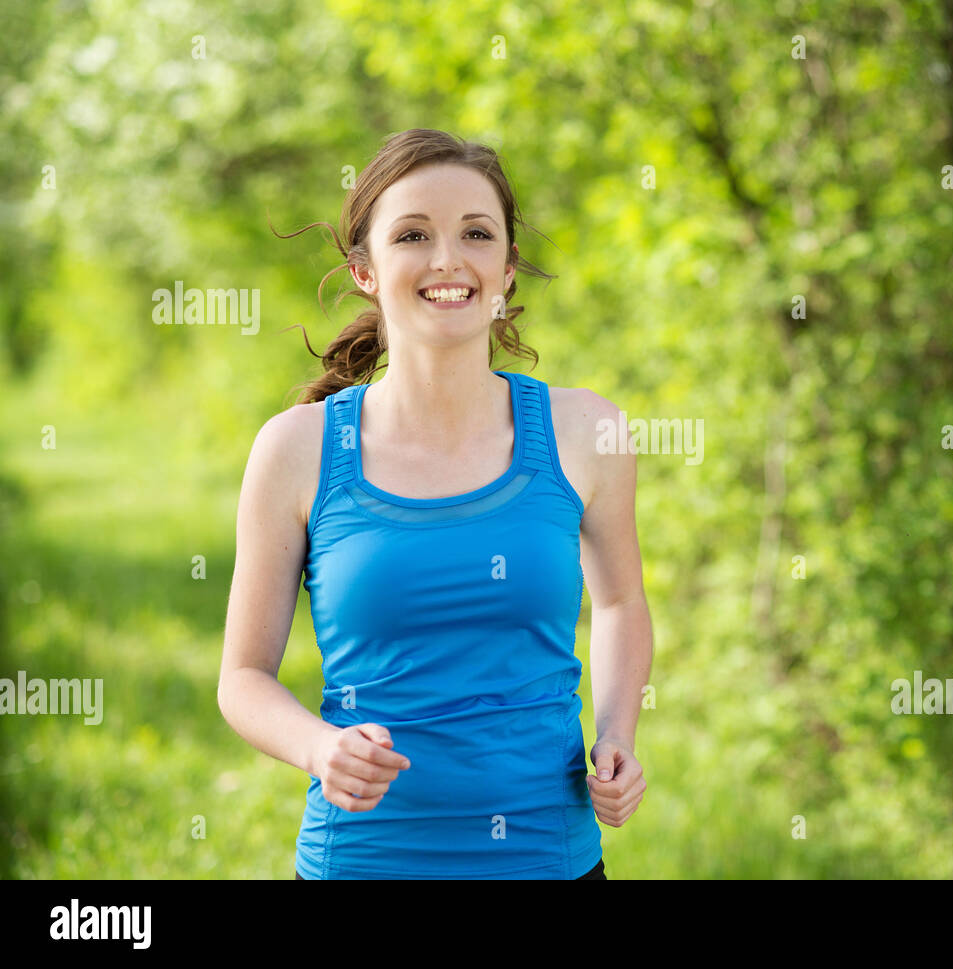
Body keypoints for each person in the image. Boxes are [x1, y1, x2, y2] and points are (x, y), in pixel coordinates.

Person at [217, 129, 652, 879]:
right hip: (364, 859)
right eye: (413, 234)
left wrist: (616, 730)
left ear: (508, 269)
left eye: (476, 234)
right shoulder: (297, 449)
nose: (448, 260)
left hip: (550, 859)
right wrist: (320, 747)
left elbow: (618, 601)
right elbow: (243, 678)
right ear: (365, 269)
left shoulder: (589, 431)